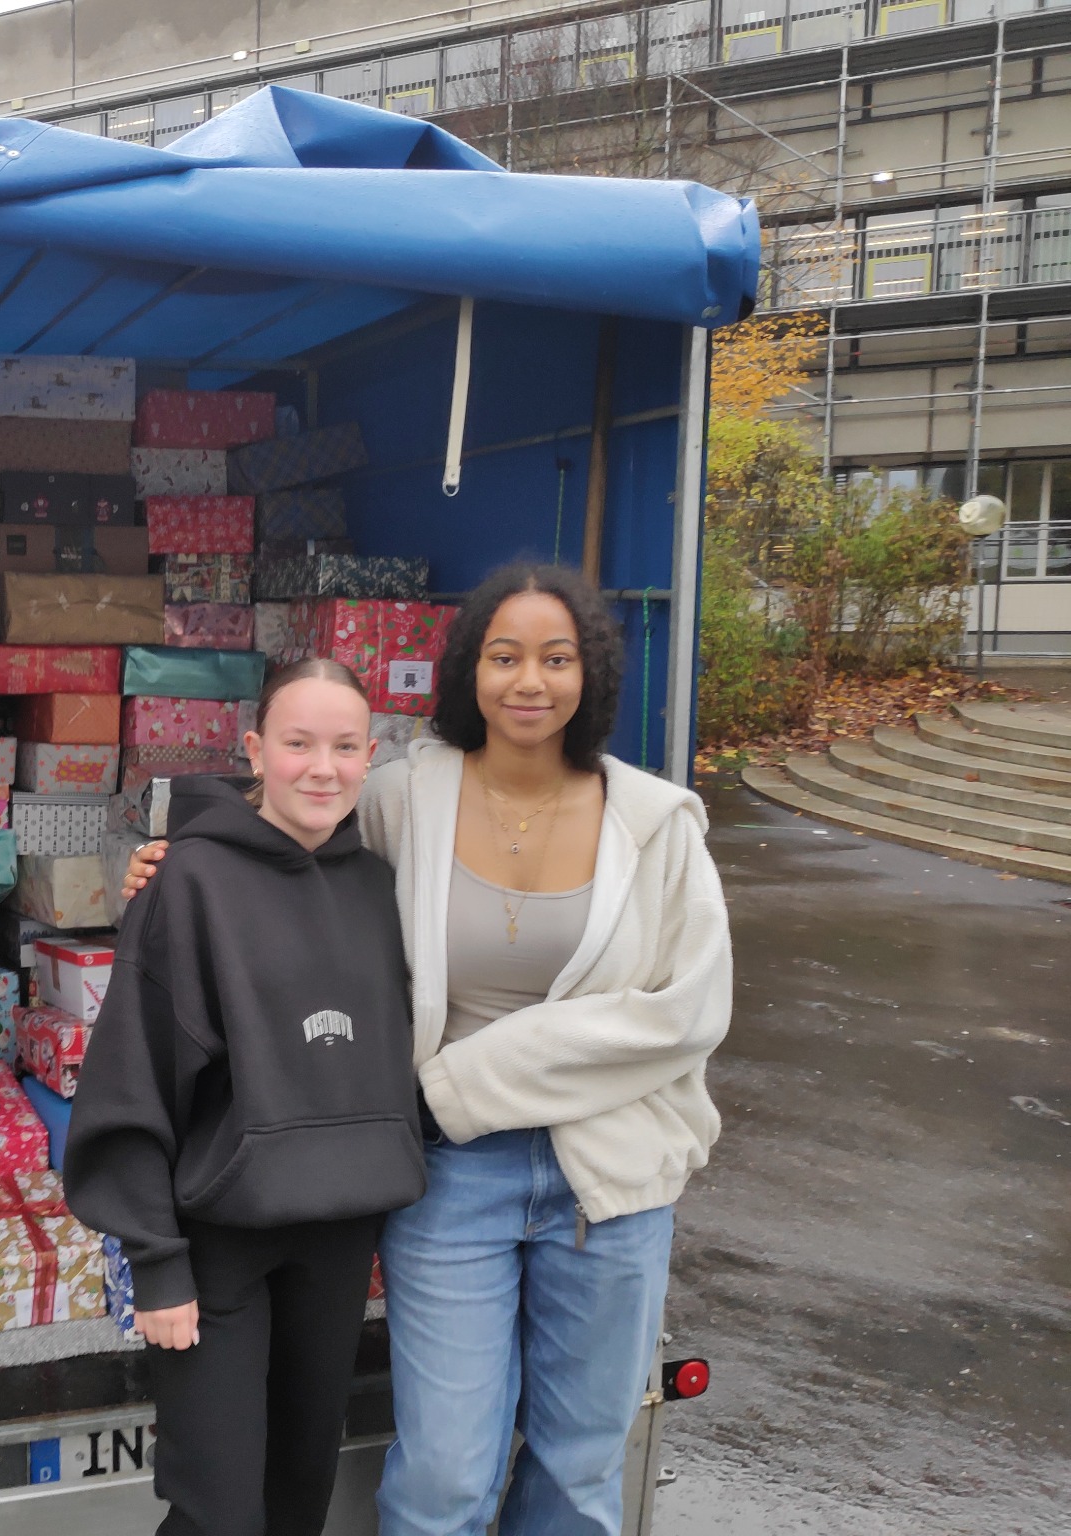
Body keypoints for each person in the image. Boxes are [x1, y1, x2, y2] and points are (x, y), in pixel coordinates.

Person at [122, 564, 733, 1536]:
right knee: (445, 1476)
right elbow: (296, 822)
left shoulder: (656, 824)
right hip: (451, 1175)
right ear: (467, 672)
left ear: (590, 673)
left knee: (580, 1470)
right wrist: (183, 856)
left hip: (608, 1179)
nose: (528, 680)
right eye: (503, 656)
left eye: (556, 658)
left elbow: (689, 1012)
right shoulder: (407, 797)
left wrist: (457, 1083)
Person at [66, 658, 427, 1536]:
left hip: (338, 1244)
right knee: (217, 1509)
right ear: (255, 751)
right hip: (219, 1245)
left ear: (370, 756)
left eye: (345, 747)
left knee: (299, 1496)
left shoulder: (381, 890)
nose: (322, 768)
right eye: (299, 744)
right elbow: (133, 1078)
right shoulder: (188, 882)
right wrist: (156, 1262)